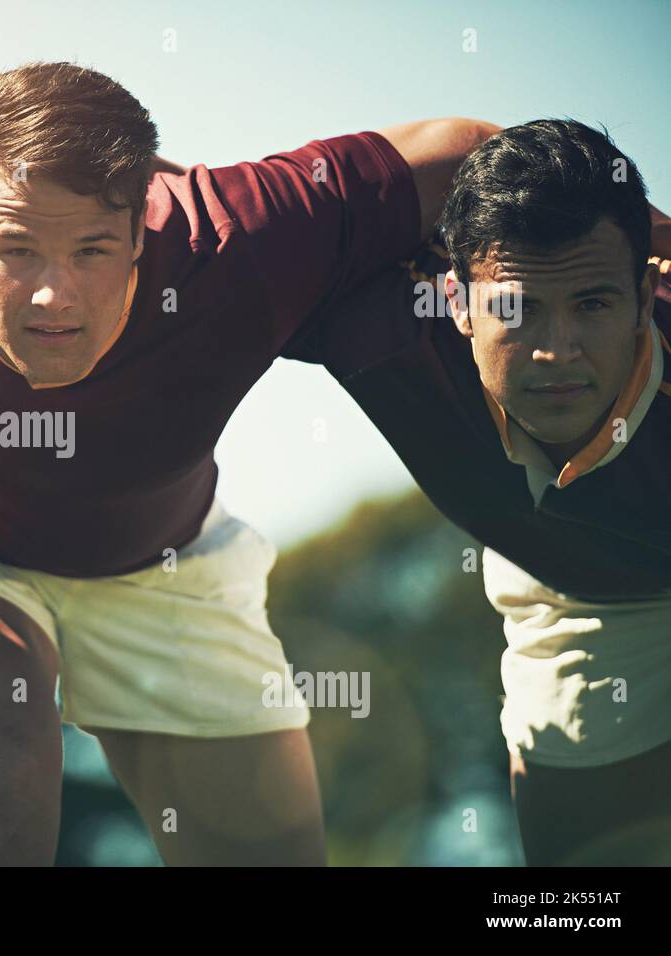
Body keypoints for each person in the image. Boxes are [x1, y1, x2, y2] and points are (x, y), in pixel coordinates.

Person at [0, 61, 499, 864]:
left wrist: (630, 232)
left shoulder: (243, 235)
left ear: (143, 229)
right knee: (4, 760)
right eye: (18, 249)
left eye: (91, 250)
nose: (53, 295)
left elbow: (468, 148)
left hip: (167, 571)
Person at [280, 119, 671, 864]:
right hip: (582, 587)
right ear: (456, 300)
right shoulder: (375, 321)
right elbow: (198, 228)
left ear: (646, 288)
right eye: (517, 310)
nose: (557, 350)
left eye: (592, 304)